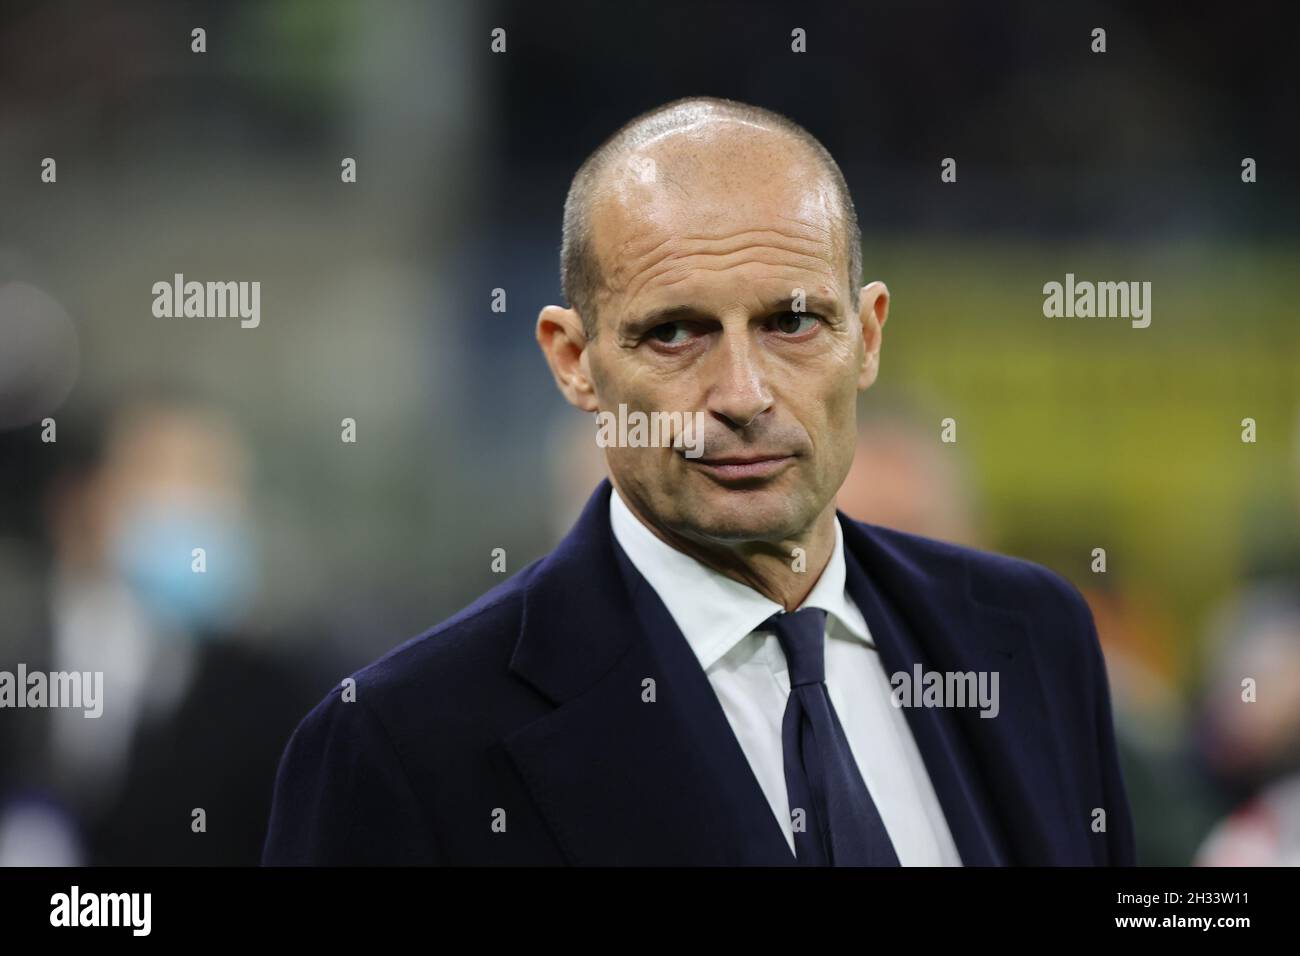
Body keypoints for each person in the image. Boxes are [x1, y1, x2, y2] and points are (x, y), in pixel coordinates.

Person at [263, 96, 1135, 866]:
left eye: (792, 321)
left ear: (867, 337)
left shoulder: (1030, 636)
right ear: (574, 361)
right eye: (676, 333)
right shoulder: (402, 743)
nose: (745, 396)